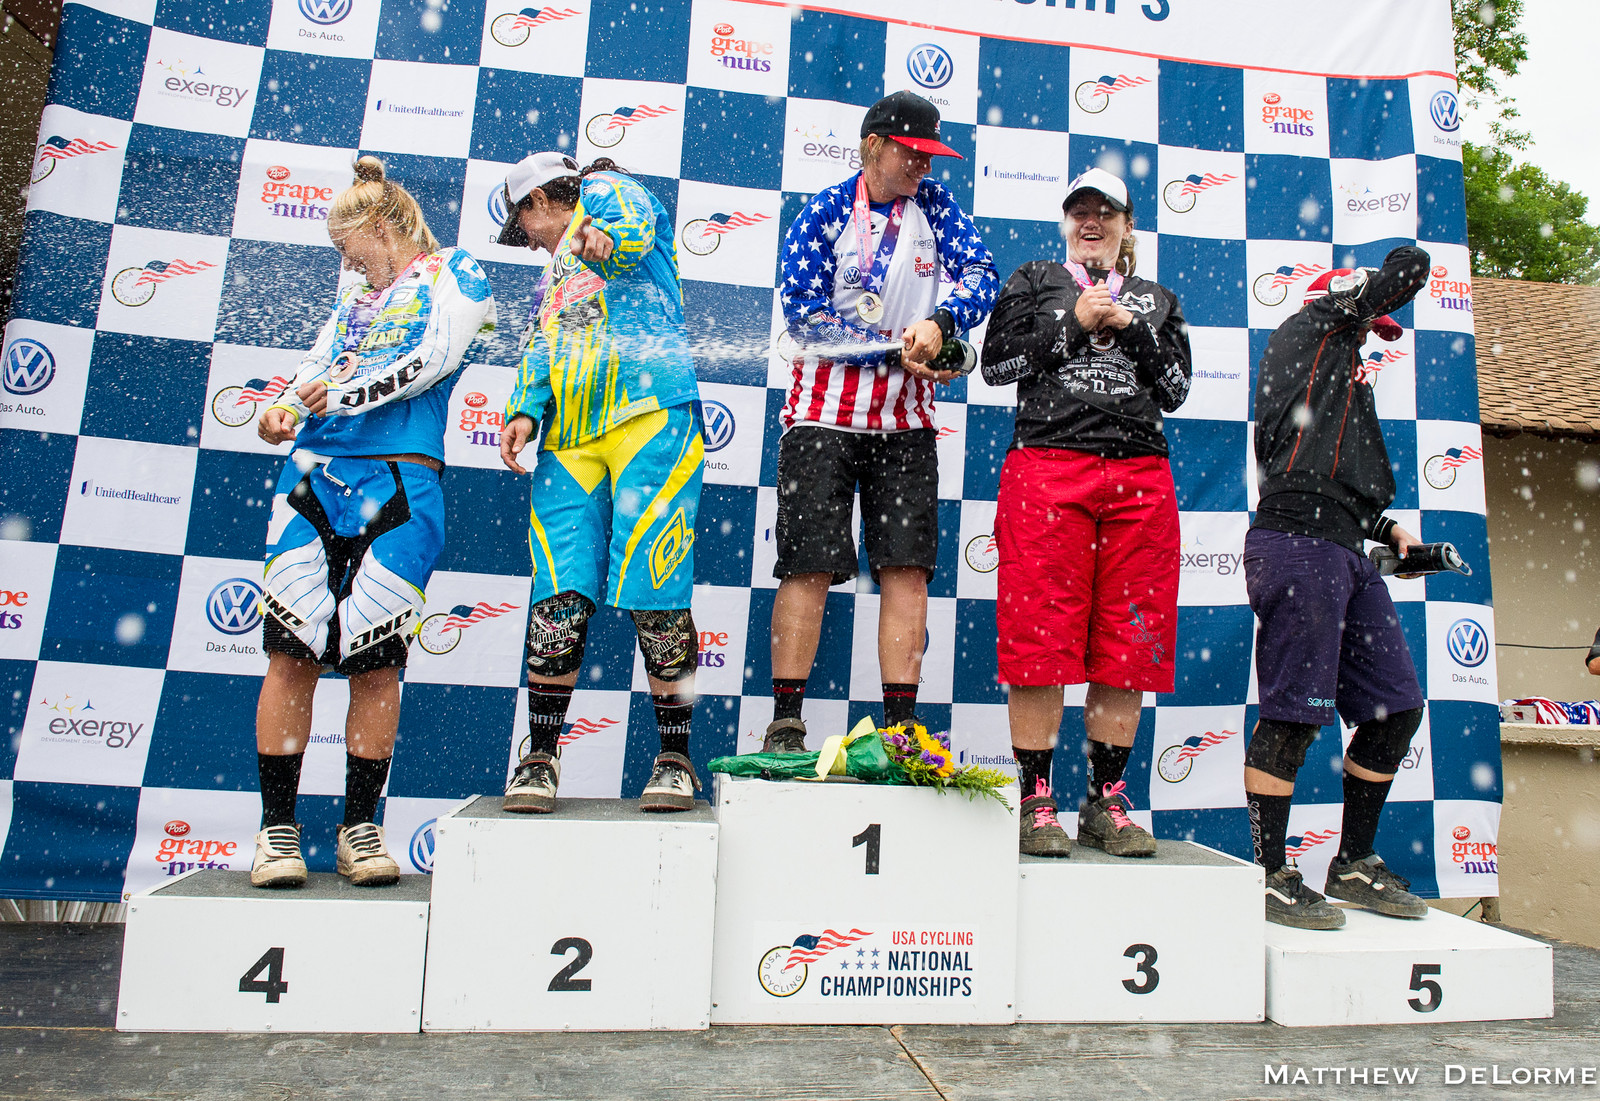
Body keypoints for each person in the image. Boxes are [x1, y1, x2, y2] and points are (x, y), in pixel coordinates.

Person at [251, 156, 497, 888]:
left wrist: (343, 395)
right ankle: (277, 832)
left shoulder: (457, 271)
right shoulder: (353, 299)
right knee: (291, 650)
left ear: (383, 225)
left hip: (401, 479)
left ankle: (360, 828)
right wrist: (283, 407)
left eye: (346, 244)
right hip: (314, 479)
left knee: (376, 654)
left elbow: (432, 356)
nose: (344, 259)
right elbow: (316, 368)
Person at [764, 90, 997, 752]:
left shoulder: (938, 207)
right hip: (821, 421)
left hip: (905, 427)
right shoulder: (825, 212)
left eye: (930, 156)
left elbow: (981, 273)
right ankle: (787, 721)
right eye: (912, 154)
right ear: (873, 147)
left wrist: (943, 325)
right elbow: (804, 318)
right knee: (807, 565)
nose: (924, 168)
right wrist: (898, 347)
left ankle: (898, 728)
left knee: (905, 569)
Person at [979, 167, 1192, 858]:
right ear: (1066, 220)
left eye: (1106, 211)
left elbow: (1177, 389)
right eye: (1080, 210)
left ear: (1128, 225)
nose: (1092, 220)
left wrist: (1132, 329)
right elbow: (997, 367)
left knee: (1130, 640)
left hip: (1139, 476)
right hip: (1048, 463)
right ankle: (1036, 799)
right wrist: (1072, 326)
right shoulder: (1035, 279)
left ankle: (1107, 800)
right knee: (1040, 632)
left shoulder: (1158, 300)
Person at [495, 152, 705, 813]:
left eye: (523, 222)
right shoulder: (554, 278)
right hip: (570, 437)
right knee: (559, 593)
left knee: (656, 586)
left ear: (537, 204)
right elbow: (540, 345)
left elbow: (631, 226)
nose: (526, 237)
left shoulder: (608, 194)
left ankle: (675, 757)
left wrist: (599, 228)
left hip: (651, 418)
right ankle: (540, 755)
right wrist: (525, 407)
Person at [1245, 246, 1434, 929]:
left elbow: (1340, 476)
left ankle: (1352, 862)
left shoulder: (1343, 379)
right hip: (1294, 540)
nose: (1372, 348)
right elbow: (1410, 264)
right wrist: (1365, 293)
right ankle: (1269, 876)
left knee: (1395, 710)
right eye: (1370, 330)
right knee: (1295, 715)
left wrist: (1389, 531)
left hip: (1345, 546)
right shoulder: (1308, 329)